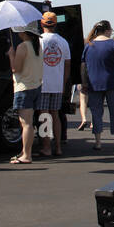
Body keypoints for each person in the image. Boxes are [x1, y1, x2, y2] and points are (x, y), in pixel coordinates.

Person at [82, 20, 114, 152]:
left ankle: (98, 142)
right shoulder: (113, 44)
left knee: (96, 113)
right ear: (107, 30)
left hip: (93, 83)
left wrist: (84, 82)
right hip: (111, 82)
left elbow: (83, 66)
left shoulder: (88, 45)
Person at [8, 23, 45, 164]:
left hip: (24, 88)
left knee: (26, 124)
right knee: (29, 123)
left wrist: (11, 55)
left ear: (25, 32)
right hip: (36, 86)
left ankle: (27, 155)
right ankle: (25, 151)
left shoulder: (22, 47)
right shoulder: (38, 47)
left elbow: (15, 69)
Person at [37, 11, 70, 156]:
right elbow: (67, 65)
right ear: (55, 24)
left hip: (42, 83)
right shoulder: (63, 42)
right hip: (57, 83)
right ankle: (58, 147)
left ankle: (46, 147)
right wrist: (63, 83)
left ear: (41, 23)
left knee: (44, 115)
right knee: (55, 115)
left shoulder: (38, 40)